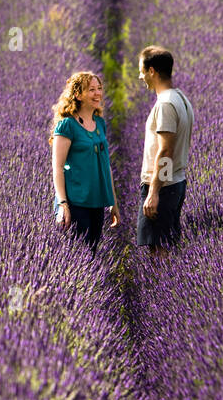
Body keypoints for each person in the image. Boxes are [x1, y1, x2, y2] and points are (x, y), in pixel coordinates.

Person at [50, 70, 119, 250]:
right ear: (78, 95)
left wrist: (113, 203)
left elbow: (106, 166)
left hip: (97, 201)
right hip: (76, 202)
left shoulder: (100, 124)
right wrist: (63, 204)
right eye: (91, 90)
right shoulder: (66, 126)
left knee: (92, 253)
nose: (97, 93)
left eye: (99, 89)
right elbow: (57, 168)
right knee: (79, 253)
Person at [136, 46, 193, 253]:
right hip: (175, 183)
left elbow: (166, 150)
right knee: (165, 249)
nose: (140, 76)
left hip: (164, 186)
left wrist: (154, 192)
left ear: (152, 71)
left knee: (159, 254)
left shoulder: (165, 104)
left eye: (142, 71)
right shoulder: (181, 99)